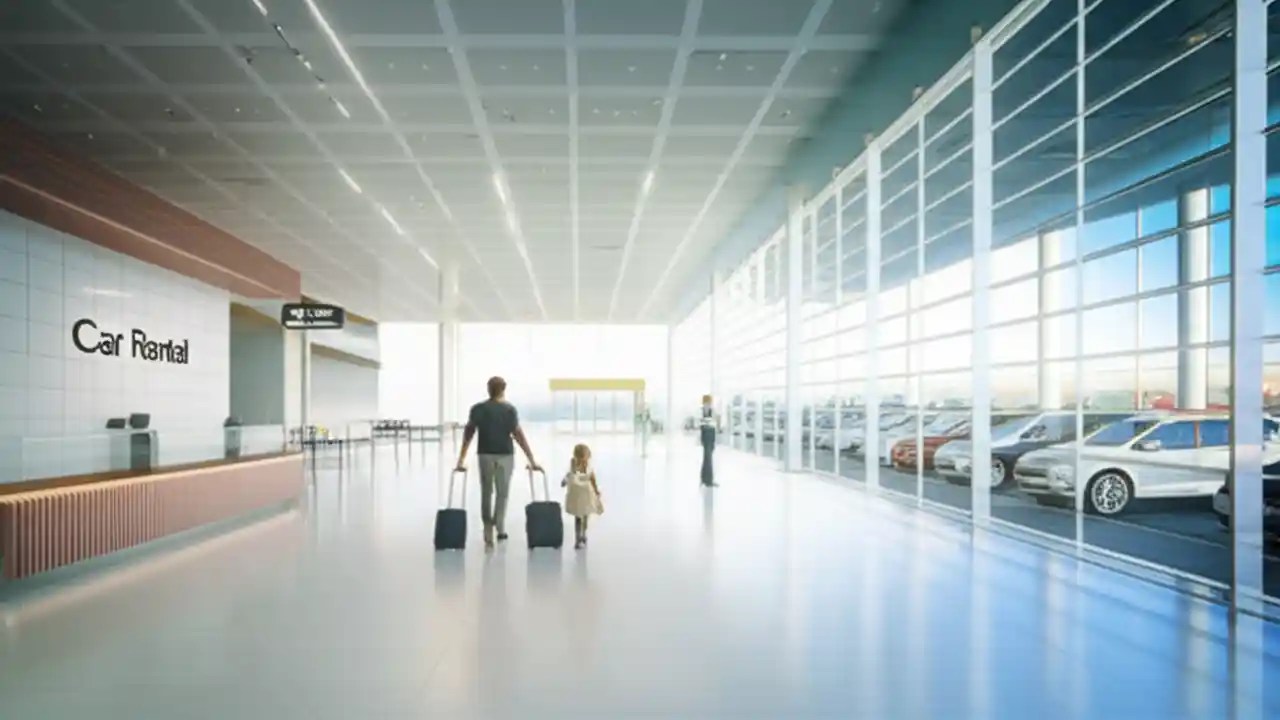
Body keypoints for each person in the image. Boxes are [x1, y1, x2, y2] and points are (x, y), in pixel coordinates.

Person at [456, 376, 542, 549]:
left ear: (488, 389)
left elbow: (468, 433)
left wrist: (461, 458)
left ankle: (488, 528)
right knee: (502, 493)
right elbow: (519, 436)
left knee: (486, 492)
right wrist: (531, 459)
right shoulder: (509, 410)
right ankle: (500, 526)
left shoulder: (478, 409)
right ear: (504, 389)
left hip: (485, 454)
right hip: (505, 455)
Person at [562, 443, 602, 550]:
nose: (581, 460)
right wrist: (565, 481)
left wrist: (596, 490)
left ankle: (583, 534)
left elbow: (592, 479)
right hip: (577, 497)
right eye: (579, 457)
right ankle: (578, 538)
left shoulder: (588, 467)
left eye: (583, 458)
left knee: (585, 517)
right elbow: (569, 475)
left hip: (586, 496)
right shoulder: (573, 464)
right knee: (578, 518)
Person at [699, 394, 717, 487]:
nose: (709, 404)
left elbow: (712, 426)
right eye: (708, 402)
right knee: (708, 459)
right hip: (707, 438)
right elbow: (705, 426)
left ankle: (704, 478)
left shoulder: (709, 411)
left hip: (710, 437)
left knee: (707, 459)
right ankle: (708, 480)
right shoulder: (705, 412)